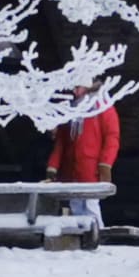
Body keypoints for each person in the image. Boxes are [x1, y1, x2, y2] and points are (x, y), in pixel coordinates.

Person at [45, 77, 121, 227]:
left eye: (77, 87)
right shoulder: (72, 110)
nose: (74, 91)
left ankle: (97, 237)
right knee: (75, 207)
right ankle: (80, 240)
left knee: (91, 206)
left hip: (91, 170)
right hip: (72, 171)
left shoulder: (103, 106)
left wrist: (105, 165)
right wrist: (52, 167)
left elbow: (112, 138)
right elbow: (62, 141)